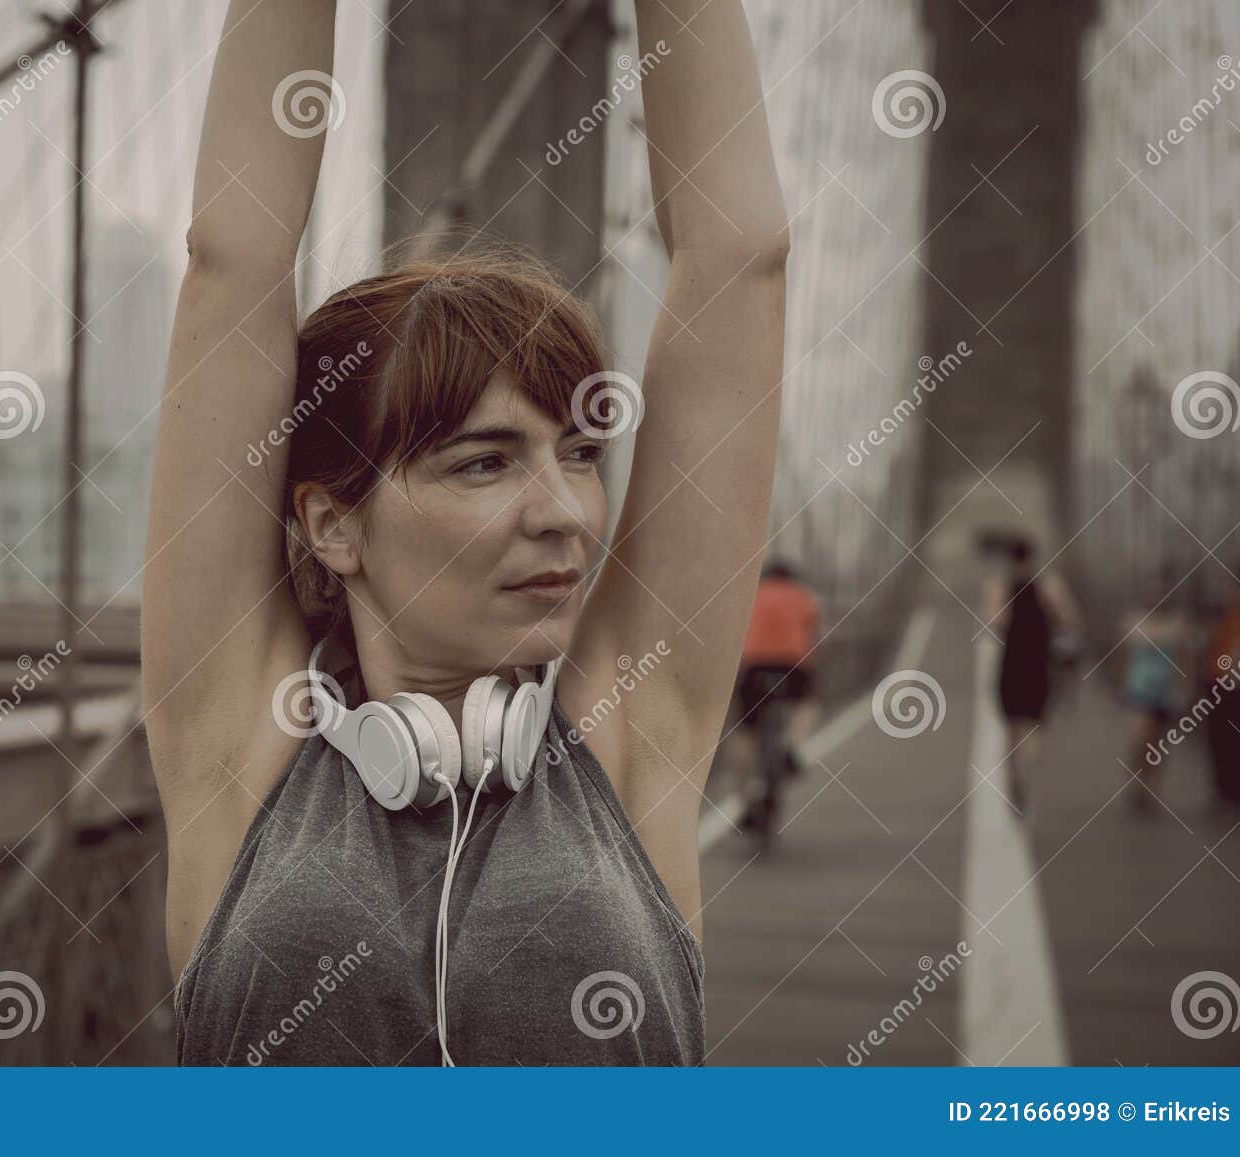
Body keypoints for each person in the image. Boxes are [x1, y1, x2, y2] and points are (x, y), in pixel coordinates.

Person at [141, 0, 789, 1065]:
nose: (566, 511)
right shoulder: (240, 740)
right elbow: (233, 255)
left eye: (576, 452)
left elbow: (739, 258)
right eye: (483, 462)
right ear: (332, 522)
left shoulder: (628, 727)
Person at [981, 536, 1083, 817]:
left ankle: (1015, 777)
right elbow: (1070, 620)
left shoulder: (999, 586)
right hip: (1039, 663)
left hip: (1012, 662)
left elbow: (995, 623)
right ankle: (1027, 771)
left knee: (1011, 728)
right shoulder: (1050, 586)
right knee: (1034, 727)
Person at [717, 559, 820, 831]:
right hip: (794, 665)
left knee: (741, 732)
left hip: (756, 666)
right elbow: (812, 634)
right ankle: (793, 747)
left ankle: (742, 800)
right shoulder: (804, 597)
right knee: (807, 702)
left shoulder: (753, 593)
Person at [1115, 568, 1192, 813]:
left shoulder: (1177, 626)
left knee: (1158, 745)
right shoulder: (1133, 623)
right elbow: (1121, 657)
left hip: (1165, 691)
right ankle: (1137, 783)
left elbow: (1187, 659)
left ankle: (1151, 789)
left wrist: (1185, 687)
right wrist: (1119, 684)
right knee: (1140, 739)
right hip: (1138, 690)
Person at [1201, 560, 1240, 822]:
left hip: (1232, 682)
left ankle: (1231, 795)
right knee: (1231, 740)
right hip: (1229, 681)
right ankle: (1231, 794)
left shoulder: (1233, 603)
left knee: (1228, 740)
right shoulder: (1228, 602)